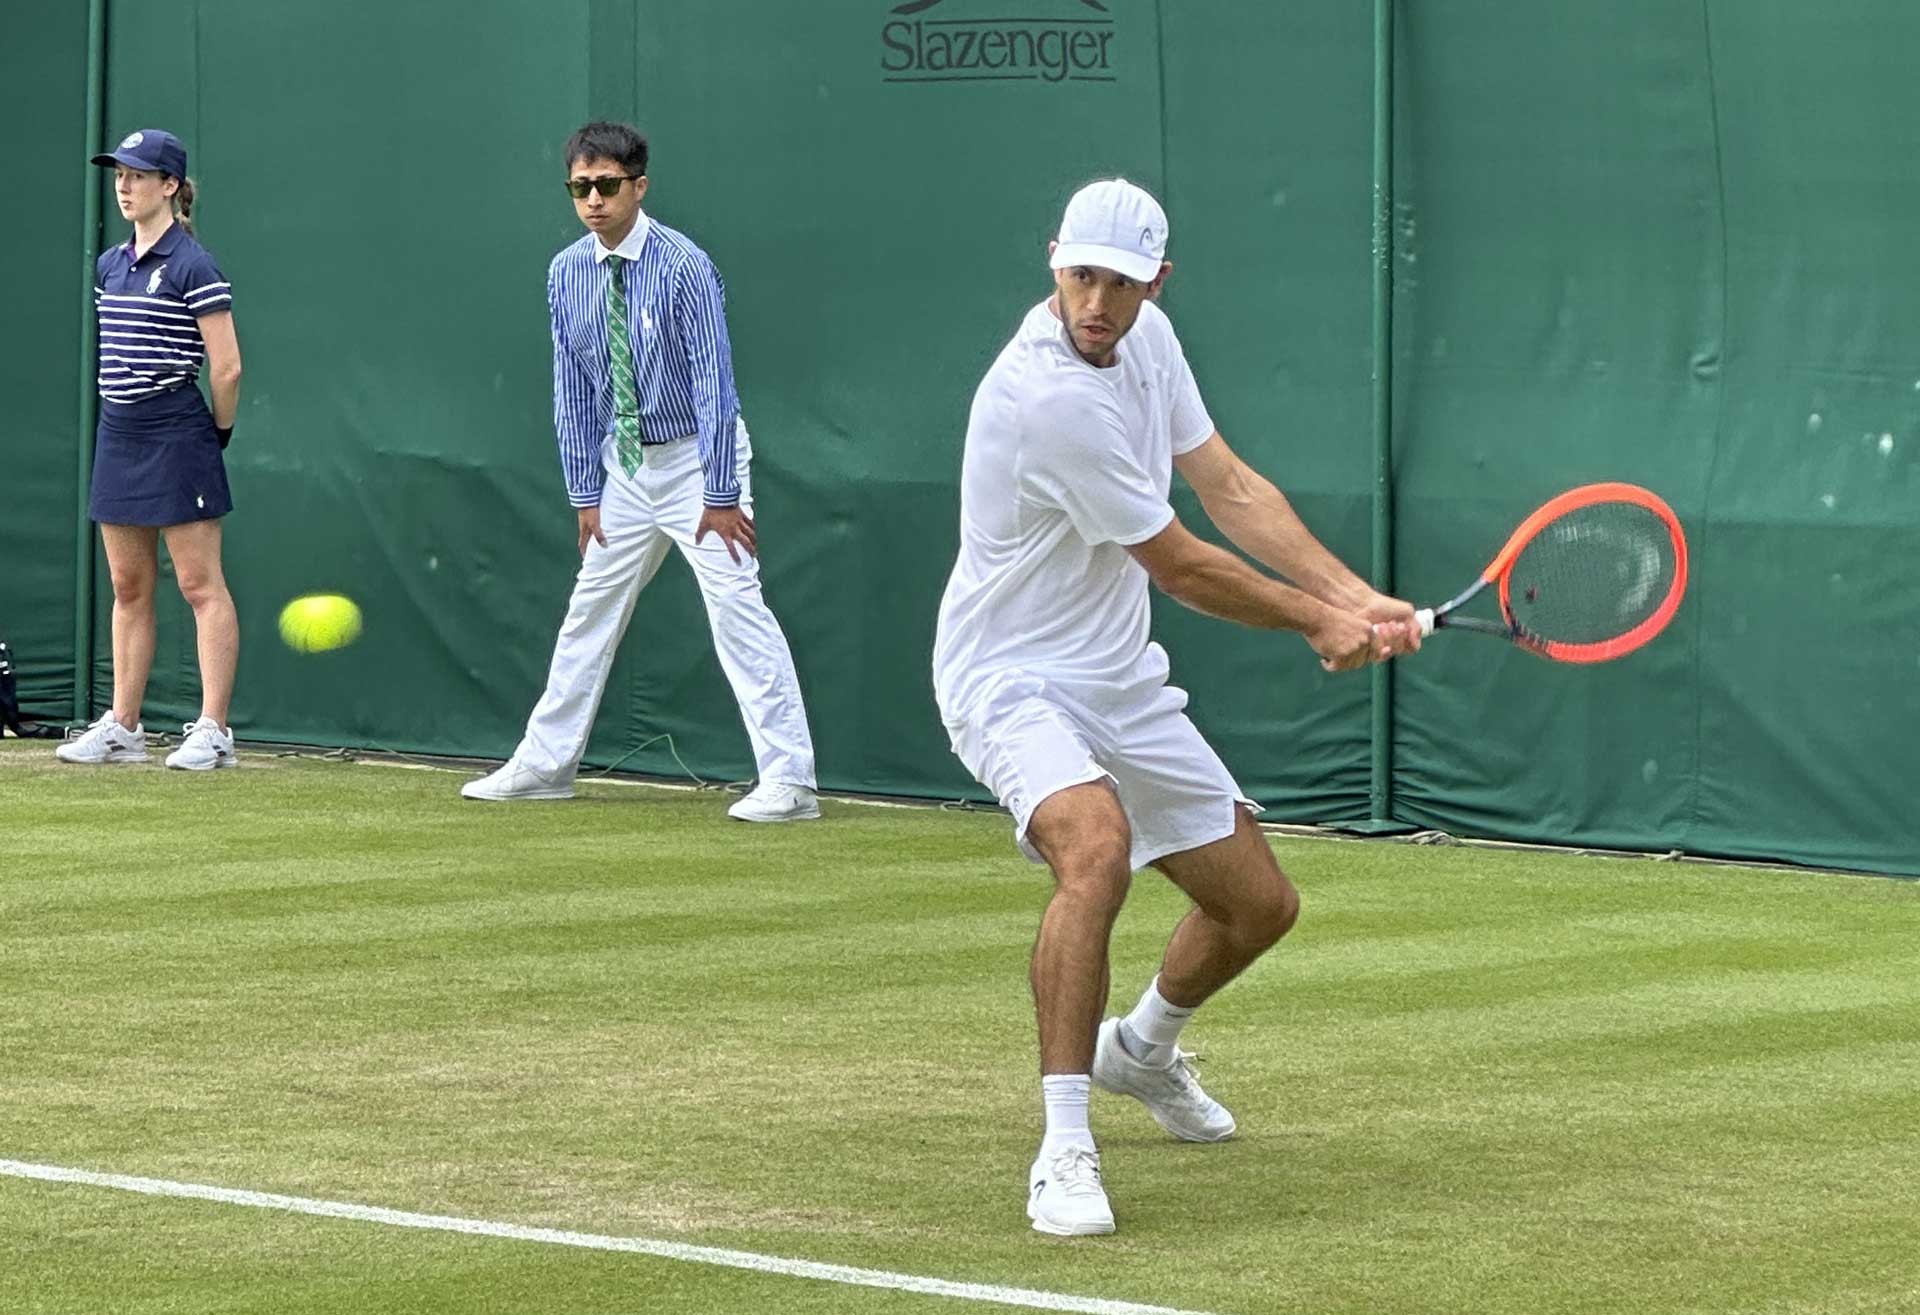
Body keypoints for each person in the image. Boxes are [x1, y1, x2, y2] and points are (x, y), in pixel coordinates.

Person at [931, 179, 1421, 1235]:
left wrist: (1353, 595)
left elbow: (1230, 486)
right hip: (1007, 675)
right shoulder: (1046, 398)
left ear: (1159, 282)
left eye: (1122, 281)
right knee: (1094, 848)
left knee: (1259, 908)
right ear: (1053, 259)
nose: (1097, 301)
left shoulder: (1149, 344)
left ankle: (1140, 1050)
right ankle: (1064, 1145)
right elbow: (1184, 565)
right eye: (1082, 275)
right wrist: (1315, 622)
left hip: (1116, 675)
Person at [462, 122, 818, 822]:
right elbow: (572, 386)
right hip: (622, 469)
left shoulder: (685, 265)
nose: (593, 200)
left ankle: (791, 781)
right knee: (588, 609)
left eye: (607, 185)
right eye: (580, 187)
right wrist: (585, 491)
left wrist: (719, 491)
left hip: (697, 462)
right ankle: (545, 762)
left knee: (737, 609)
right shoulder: (565, 272)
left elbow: (717, 382)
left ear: (638, 186)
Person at [57, 129, 244, 771]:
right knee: (127, 584)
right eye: (119, 175)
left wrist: (214, 434)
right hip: (120, 432)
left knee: (198, 584)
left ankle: (214, 730)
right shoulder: (109, 266)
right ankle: (124, 727)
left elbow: (227, 369)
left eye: (139, 175)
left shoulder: (195, 265)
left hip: (176, 432)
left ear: (170, 186)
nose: (125, 186)